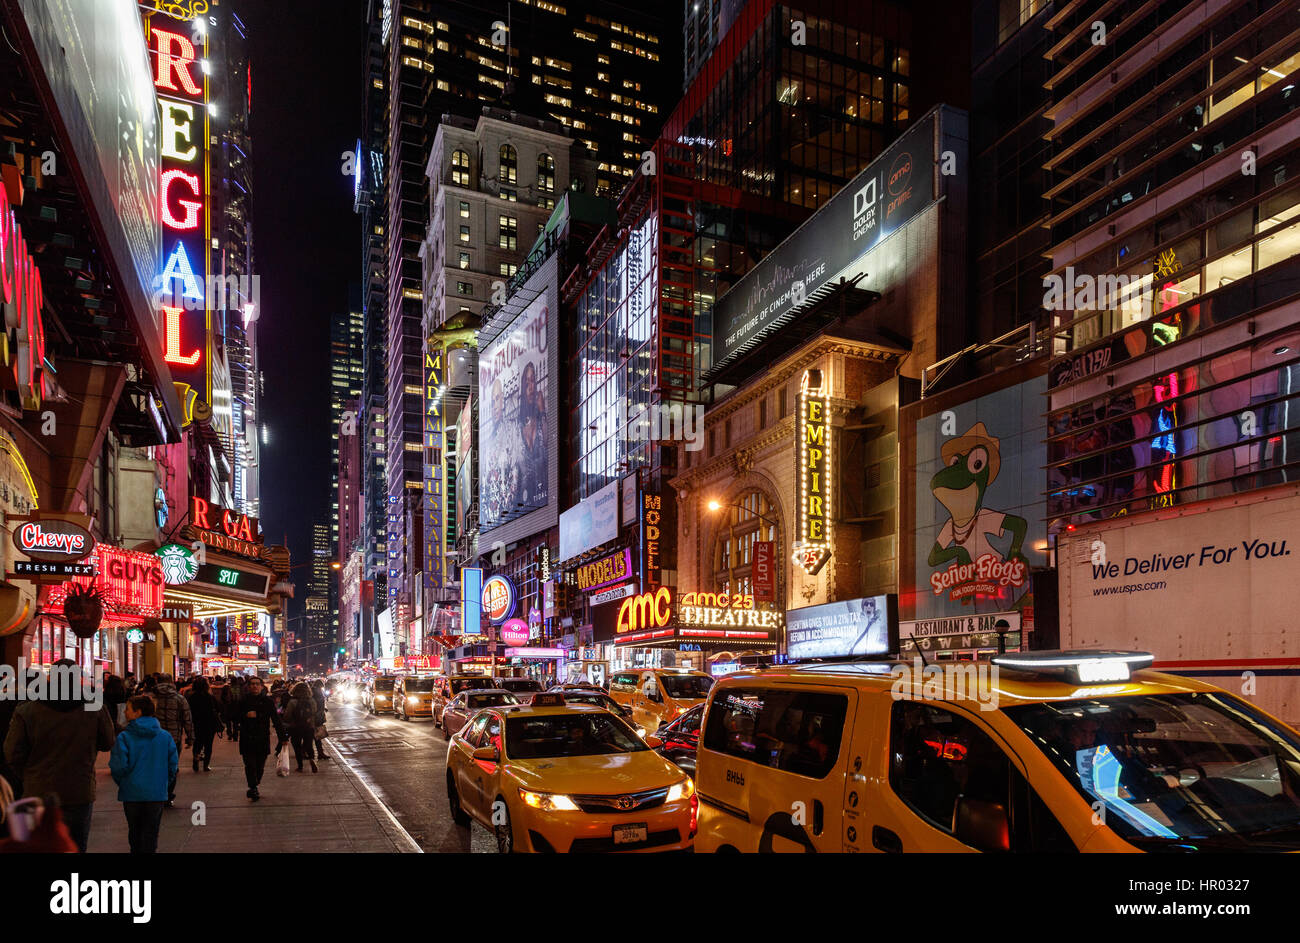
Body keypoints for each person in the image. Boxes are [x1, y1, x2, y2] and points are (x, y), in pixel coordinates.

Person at [2, 659, 115, 853]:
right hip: (79, 789)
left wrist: (28, 775)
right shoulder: (93, 707)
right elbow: (108, 742)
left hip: (37, 789)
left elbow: (12, 753)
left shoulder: (28, 709)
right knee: (76, 846)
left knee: (37, 846)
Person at [109, 695, 177, 854]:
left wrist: (125, 782)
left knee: (135, 833)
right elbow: (172, 765)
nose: (125, 712)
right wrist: (163, 782)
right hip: (156, 793)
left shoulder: (124, 737)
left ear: (138, 712)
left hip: (132, 793)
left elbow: (118, 766)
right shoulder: (165, 737)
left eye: (128, 709)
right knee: (151, 834)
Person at [236, 676, 286, 801]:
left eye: (257, 684)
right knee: (249, 765)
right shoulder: (243, 701)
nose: (255, 686)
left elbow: (276, 719)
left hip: (262, 738)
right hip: (247, 737)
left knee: (260, 766)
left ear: (261, 686)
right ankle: (253, 787)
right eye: (252, 684)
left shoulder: (267, 701)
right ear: (248, 686)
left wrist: (283, 737)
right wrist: (244, 715)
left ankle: (255, 783)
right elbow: (232, 716)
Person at [151, 674, 192, 807]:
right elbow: (187, 719)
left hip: (153, 738)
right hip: (173, 737)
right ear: (171, 682)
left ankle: (157, 792)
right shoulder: (179, 698)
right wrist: (190, 737)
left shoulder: (149, 698)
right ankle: (168, 794)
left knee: (155, 765)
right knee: (172, 766)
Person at [184, 677, 224, 772]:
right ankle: (206, 765)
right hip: (209, 724)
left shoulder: (191, 697)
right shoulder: (209, 697)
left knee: (197, 743)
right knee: (208, 745)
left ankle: (196, 759)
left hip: (196, 723)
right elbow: (218, 709)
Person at [283, 682, 318, 774]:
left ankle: (300, 766)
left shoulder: (292, 701)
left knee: (297, 746)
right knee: (309, 744)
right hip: (309, 726)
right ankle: (311, 759)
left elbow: (287, 716)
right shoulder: (311, 700)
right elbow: (314, 712)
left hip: (295, 727)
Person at [310, 679, 328, 761]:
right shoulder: (317, 692)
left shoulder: (312, 691)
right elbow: (318, 704)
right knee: (316, 735)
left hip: (315, 716)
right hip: (317, 717)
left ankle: (320, 753)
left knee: (314, 735)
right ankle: (319, 753)